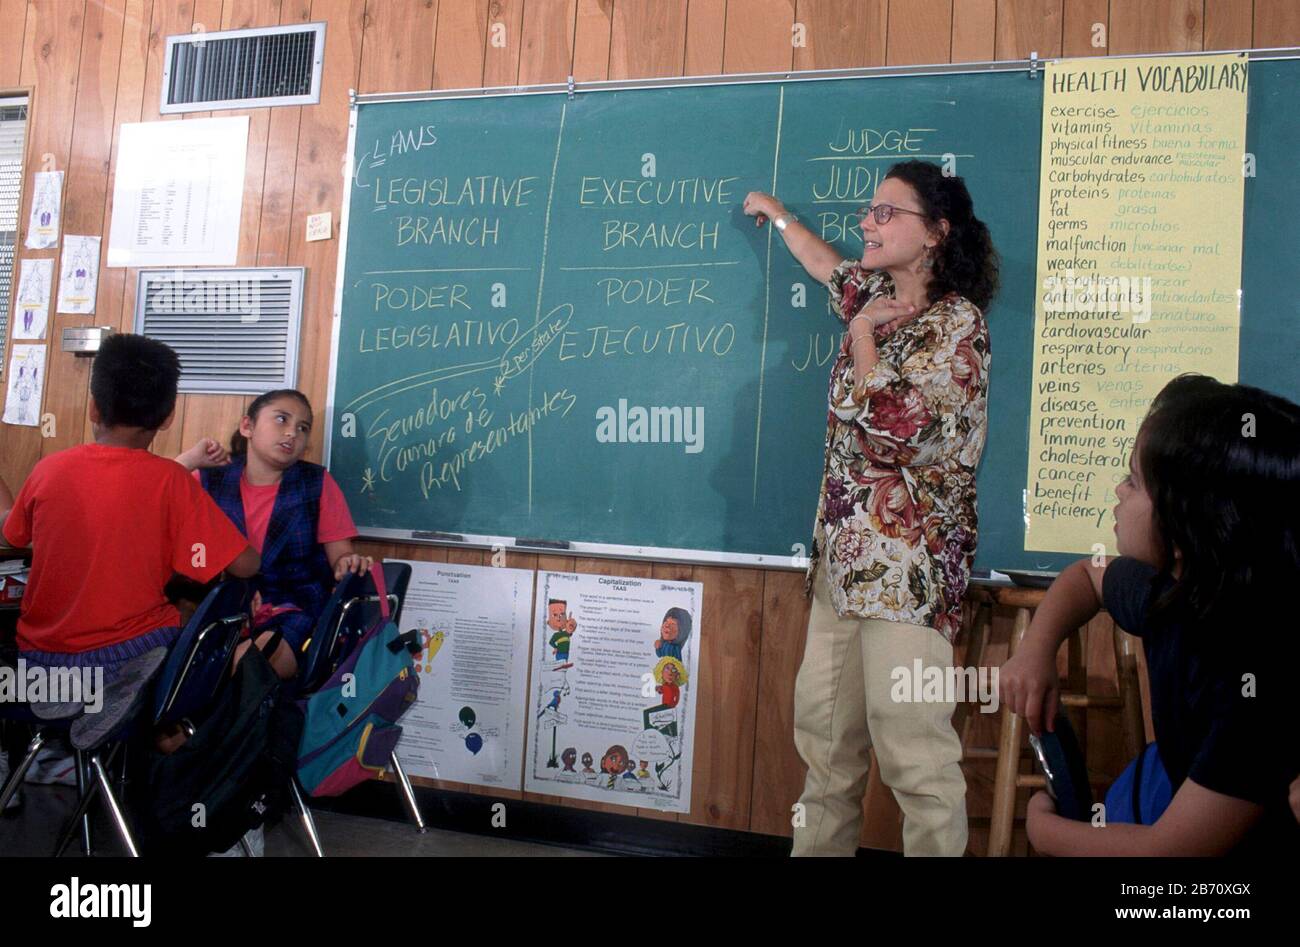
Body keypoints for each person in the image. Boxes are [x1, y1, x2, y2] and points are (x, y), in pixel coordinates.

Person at [743, 159, 999, 856]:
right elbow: (826, 264)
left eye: (887, 212)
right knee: (826, 755)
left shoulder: (957, 327)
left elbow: (898, 430)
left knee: (917, 763)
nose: (867, 221)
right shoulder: (872, 292)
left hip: (908, 578)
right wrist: (779, 213)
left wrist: (861, 338)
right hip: (841, 573)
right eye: (868, 211)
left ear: (936, 233)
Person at [1000, 374, 1300, 856]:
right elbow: (1088, 574)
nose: (1118, 490)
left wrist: (1043, 829)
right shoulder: (1175, 593)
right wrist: (1036, 648)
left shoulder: (1254, 674)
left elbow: (1166, 851)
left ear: (1189, 527)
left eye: (1134, 482)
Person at [0, 334, 259, 747]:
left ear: (93, 408)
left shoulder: (49, 471)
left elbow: (13, 532)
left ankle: (67, 708)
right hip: (132, 649)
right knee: (178, 621)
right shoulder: (172, 481)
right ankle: (117, 690)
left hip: (42, 660)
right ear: (168, 416)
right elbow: (246, 565)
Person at [180, 389, 371, 678]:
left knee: (249, 661)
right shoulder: (209, 477)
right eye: (281, 419)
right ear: (248, 426)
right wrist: (189, 460)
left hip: (295, 610)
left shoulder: (317, 483)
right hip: (222, 608)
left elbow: (341, 556)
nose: (292, 433)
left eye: (302, 428)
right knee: (184, 658)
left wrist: (347, 562)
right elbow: (155, 498)